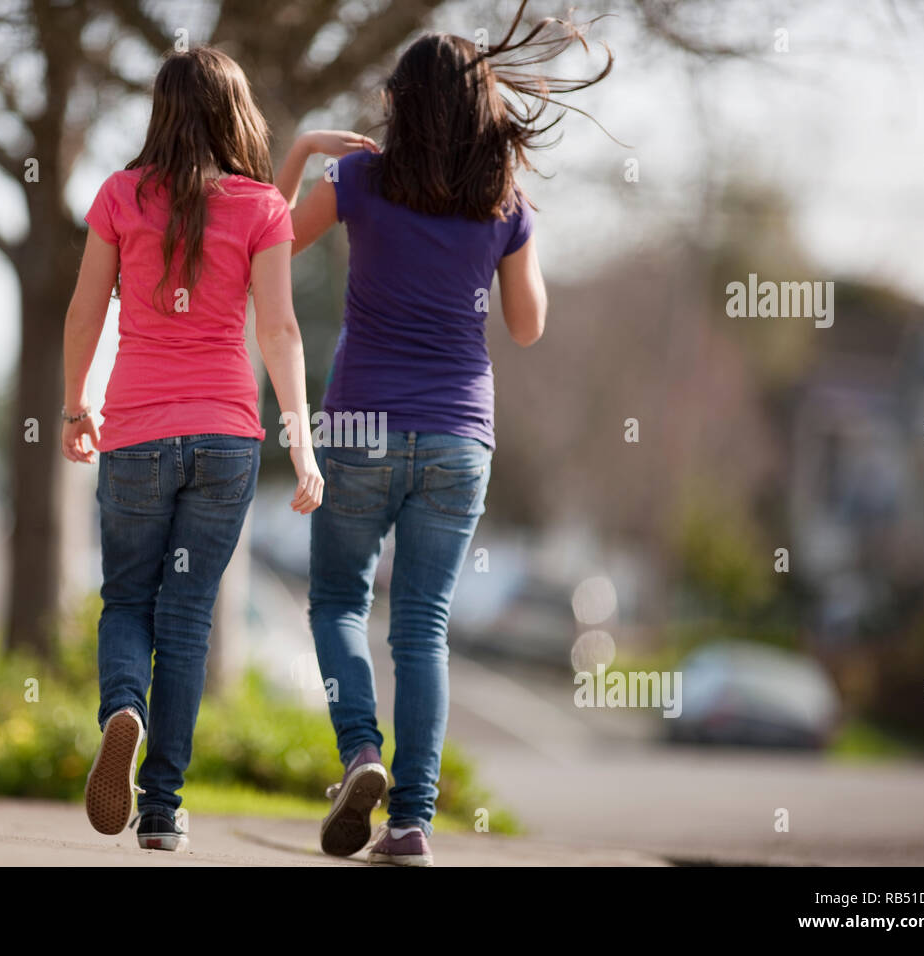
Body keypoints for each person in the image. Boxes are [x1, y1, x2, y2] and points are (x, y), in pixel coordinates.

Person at [277, 2, 610, 864]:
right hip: (460, 436)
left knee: (337, 603)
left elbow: (263, 245)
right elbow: (528, 326)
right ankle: (412, 825)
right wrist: (517, 240)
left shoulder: (361, 182)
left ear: (403, 103)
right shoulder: (505, 204)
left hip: (358, 423)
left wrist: (306, 152)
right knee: (422, 625)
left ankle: (360, 752)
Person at [61, 46, 323, 852]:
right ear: (235, 114)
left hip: (137, 431)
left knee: (126, 600)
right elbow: (279, 329)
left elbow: (86, 311)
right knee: (186, 620)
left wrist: (75, 405)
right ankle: (164, 809)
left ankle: (122, 712)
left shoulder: (117, 195)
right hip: (225, 439)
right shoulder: (262, 209)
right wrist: (303, 442)